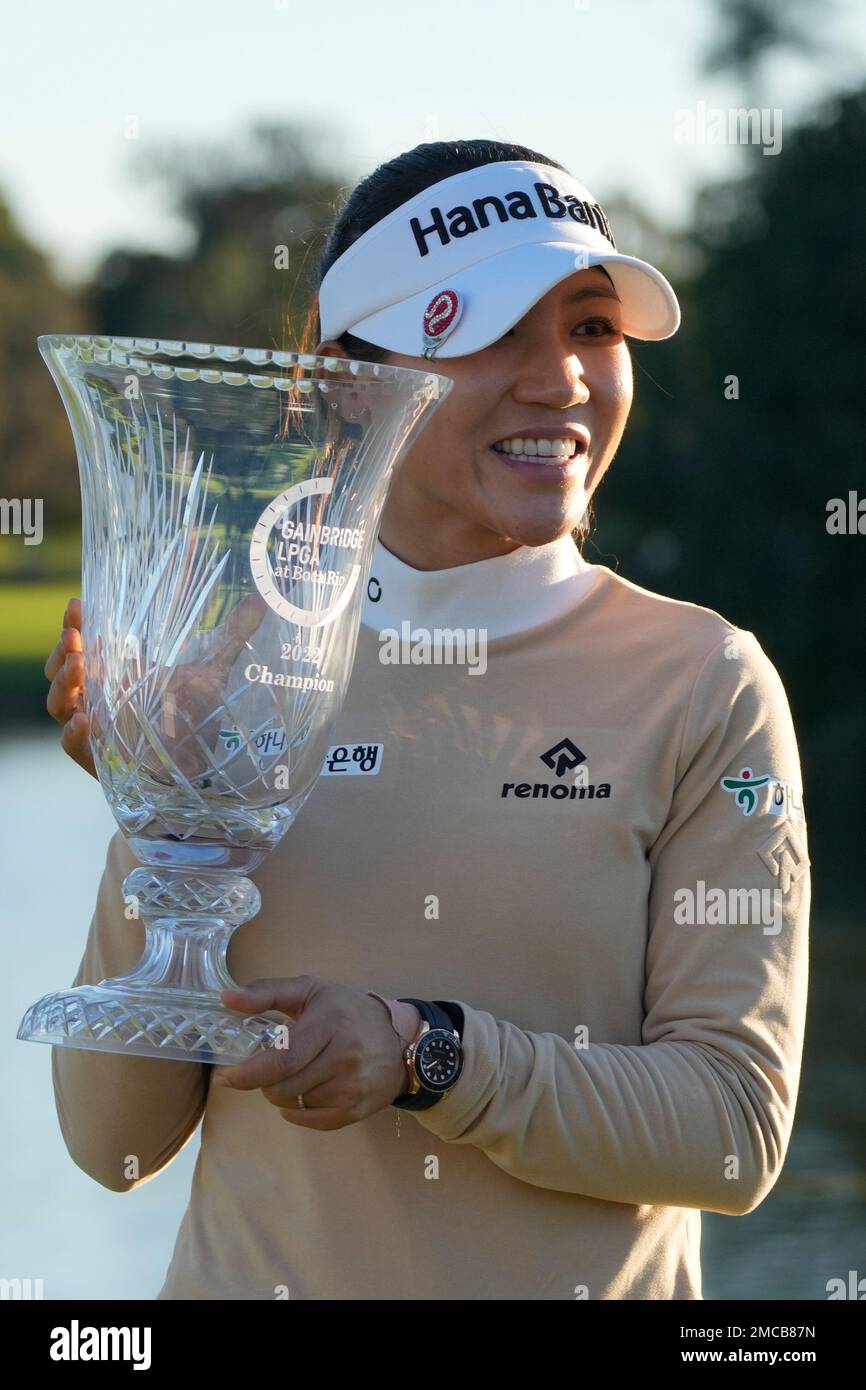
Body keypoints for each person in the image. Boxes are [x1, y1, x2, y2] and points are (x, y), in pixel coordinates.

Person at [44, 138, 810, 1300]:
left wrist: (421, 1052)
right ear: (340, 376)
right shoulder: (232, 671)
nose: (558, 378)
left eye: (591, 327)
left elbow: (730, 1131)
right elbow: (116, 1150)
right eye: (495, 328)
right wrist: (153, 816)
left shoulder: (702, 679)